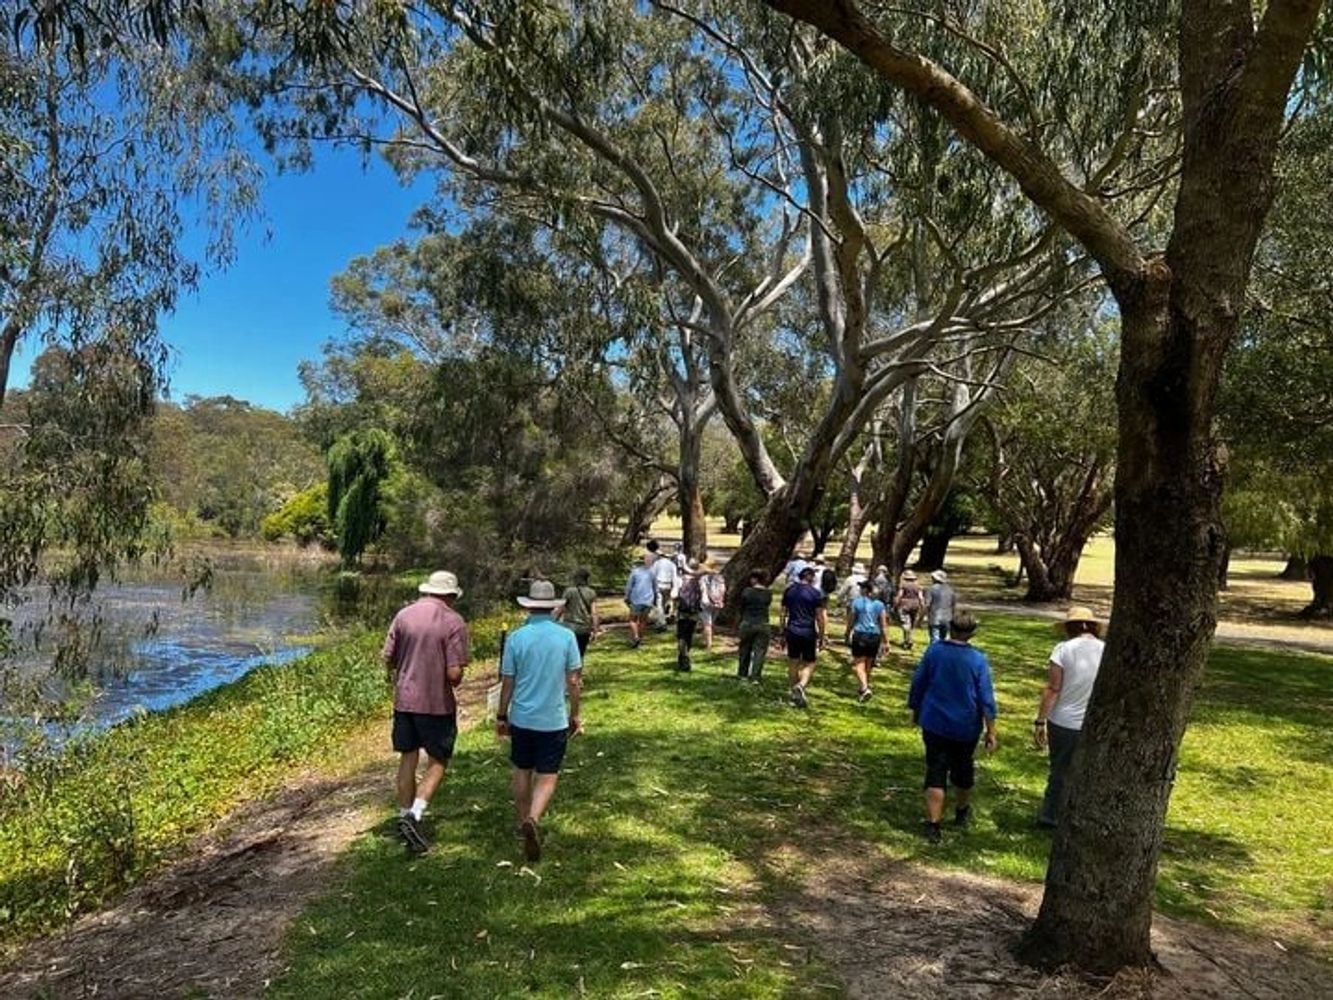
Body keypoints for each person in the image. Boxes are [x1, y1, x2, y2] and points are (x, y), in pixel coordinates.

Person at [382, 570, 470, 854]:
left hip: (404, 701)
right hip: (436, 704)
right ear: (450, 595)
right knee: (439, 759)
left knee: (408, 756)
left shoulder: (403, 615)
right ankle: (414, 814)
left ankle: (402, 813)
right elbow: (454, 674)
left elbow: (389, 659)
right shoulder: (453, 621)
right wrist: (456, 676)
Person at [496, 580, 583, 863]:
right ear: (552, 607)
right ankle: (533, 817)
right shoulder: (566, 637)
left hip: (522, 716)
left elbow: (507, 681)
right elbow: (573, 680)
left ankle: (523, 821)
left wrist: (501, 715)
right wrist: (575, 713)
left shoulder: (516, 638)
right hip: (553, 717)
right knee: (547, 775)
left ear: (529, 606)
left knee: (522, 769)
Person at [907, 610, 998, 843]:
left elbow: (919, 682)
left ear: (950, 627)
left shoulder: (934, 651)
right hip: (966, 726)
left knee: (936, 768)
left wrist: (915, 709)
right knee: (963, 767)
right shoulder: (978, 659)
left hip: (935, 721)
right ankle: (961, 809)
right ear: (973, 633)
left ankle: (933, 824)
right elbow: (986, 697)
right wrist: (991, 730)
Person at [1034, 606, 1105, 828]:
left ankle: (1050, 815)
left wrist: (1040, 721)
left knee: (1060, 770)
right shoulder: (1106, 649)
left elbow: (1054, 688)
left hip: (1063, 722)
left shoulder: (1063, 649)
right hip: (1094, 722)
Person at [780, 566, 826, 708]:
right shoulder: (815, 594)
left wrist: (782, 632)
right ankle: (801, 685)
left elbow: (783, 614)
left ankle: (794, 693)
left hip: (792, 629)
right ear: (811, 577)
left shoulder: (789, 591)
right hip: (808, 630)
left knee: (793, 661)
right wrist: (822, 635)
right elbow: (819, 616)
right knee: (810, 661)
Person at [845, 579, 889, 702]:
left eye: (861, 588)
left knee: (859, 663)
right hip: (874, 636)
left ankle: (864, 688)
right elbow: (883, 624)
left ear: (865, 590)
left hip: (860, 634)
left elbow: (851, 620)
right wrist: (886, 641)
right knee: (869, 663)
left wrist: (847, 633)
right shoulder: (880, 605)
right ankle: (864, 687)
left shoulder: (857, 602)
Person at [736, 570, 772, 681]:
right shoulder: (768, 593)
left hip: (748, 622)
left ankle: (743, 674)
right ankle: (756, 676)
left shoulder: (747, 591)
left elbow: (741, 607)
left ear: (755, 579)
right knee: (759, 652)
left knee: (745, 649)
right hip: (763, 623)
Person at [555, 568, 600, 657]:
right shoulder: (591, 593)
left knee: (567, 655)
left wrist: (553, 621)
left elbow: (561, 608)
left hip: (569, 628)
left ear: (578, 578)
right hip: (584, 629)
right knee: (580, 654)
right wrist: (595, 629)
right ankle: (578, 670)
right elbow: (594, 613)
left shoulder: (569, 591)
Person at [674, 561, 703, 672]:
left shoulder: (680, 579)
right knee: (689, 635)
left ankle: (683, 656)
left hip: (682, 612)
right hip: (694, 612)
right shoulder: (699, 581)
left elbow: (674, 594)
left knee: (681, 635)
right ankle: (686, 655)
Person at [624, 552, 657, 648]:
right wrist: (655, 598)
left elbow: (629, 586)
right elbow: (655, 587)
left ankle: (635, 636)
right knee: (643, 621)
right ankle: (640, 638)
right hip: (648, 600)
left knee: (632, 620)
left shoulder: (635, 572)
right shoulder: (652, 573)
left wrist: (627, 596)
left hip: (636, 599)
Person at [699, 558, 727, 651]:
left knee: (707, 624)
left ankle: (708, 644)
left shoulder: (703, 578)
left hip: (706, 602)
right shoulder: (720, 577)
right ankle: (707, 639)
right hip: (717, 603)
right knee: (712, 623)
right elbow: (723, 590)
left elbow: (702, 590)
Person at [892, 570, 924, 650]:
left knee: (906, 623)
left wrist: (895, 605)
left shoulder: (903, 585)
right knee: (911, 624)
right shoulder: (918, 586)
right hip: (915, 605)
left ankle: (908, 640)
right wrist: (922, 606)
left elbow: (899, 595)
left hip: (905, 605)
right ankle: (907, 639)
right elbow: (921, 597)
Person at [924, 569, 956, 644]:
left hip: (935, 617)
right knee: (943, 639)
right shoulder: (950, 590)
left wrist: (923, 616)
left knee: (935, 639)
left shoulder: (931, 589)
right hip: (947, 618)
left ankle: (935, 653)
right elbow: (953, 605)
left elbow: (927, 604)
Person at [652, 545, 679, 628]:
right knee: (664, 602)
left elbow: (653, 575)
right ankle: (662, 619)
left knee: (659, 603)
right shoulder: (672, 565)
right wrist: (675, 588)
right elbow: (674, 577)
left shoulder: (657, 563)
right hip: (668, 585)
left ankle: (661, 622)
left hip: (658, 584)